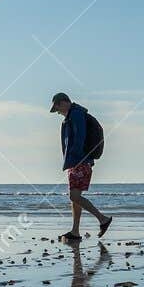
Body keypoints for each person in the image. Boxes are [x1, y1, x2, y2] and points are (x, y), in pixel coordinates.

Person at [50, 92, 112, 243]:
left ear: (64, 102)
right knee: (74, 198)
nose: (58, 112)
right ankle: (75, 231)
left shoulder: (76, 115)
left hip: (80, 161)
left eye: (57, 107)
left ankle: (102, 219)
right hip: (75, 162)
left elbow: (80, 137)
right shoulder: (70, 117)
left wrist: (77, 158)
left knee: (74, 196)